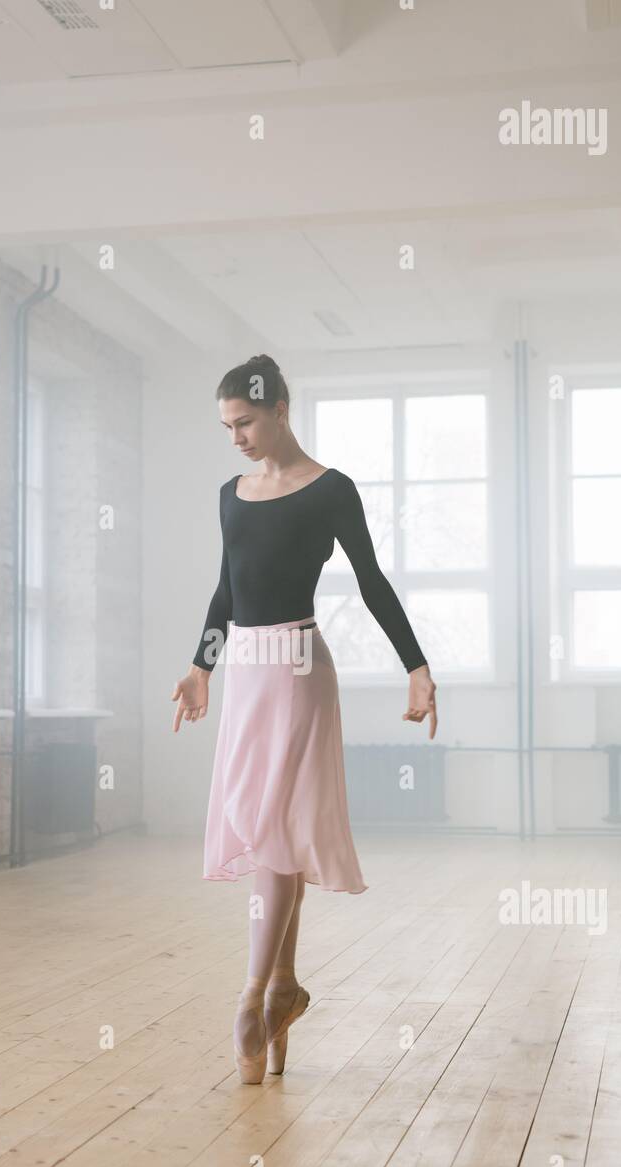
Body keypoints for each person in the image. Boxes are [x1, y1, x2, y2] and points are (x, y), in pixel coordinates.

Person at [171, 354, 437, 1084]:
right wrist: (201, 668)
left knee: (273, 834)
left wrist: (415, 666)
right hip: (246, 675)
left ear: (280, 408)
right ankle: (283, 987)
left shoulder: (330, 491)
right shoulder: (231, 494)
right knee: (271, 829)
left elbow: (373, 581)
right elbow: (227, 589)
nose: (237, 438)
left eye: (246, 422)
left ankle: (253, 996)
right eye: (227, 427)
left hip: (297, 669)